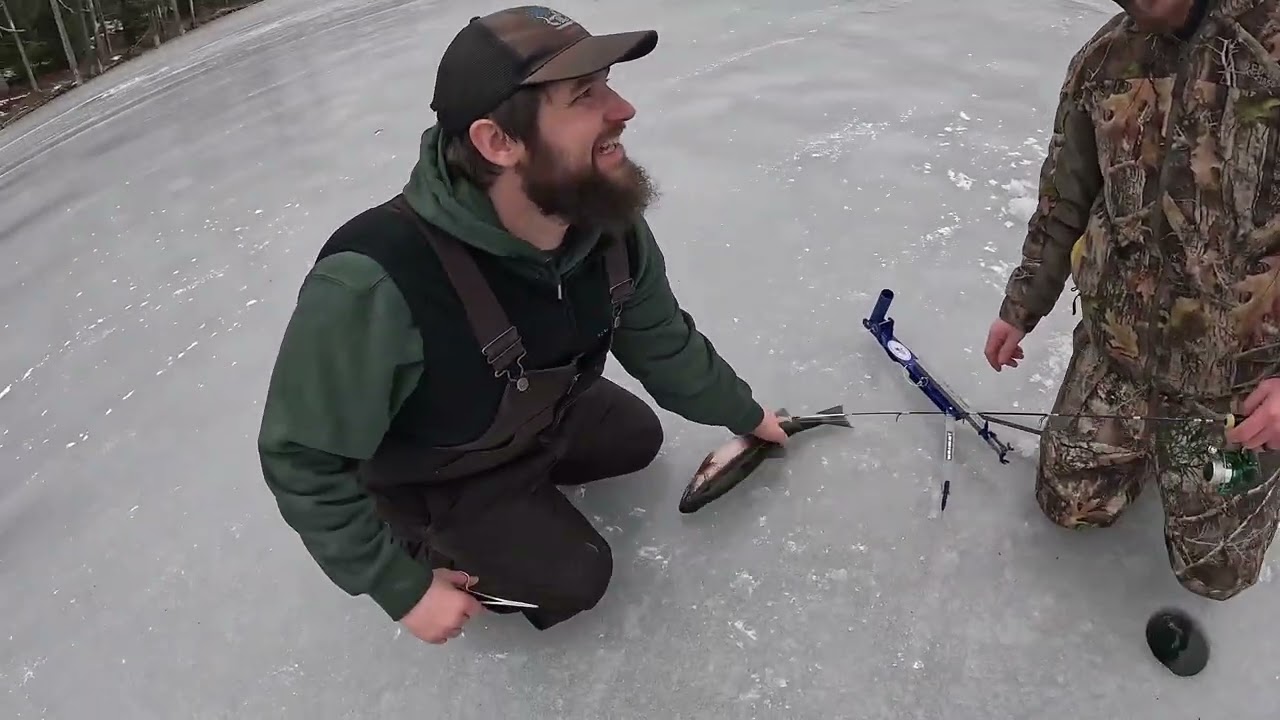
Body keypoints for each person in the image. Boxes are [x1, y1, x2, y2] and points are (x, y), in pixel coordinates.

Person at [255, 6, 787, 645]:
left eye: (608, 84)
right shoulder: (375, 280)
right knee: (576, 579)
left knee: (637, 438)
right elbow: (302, 461)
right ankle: (417, 528)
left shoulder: (603, 222)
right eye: (585, 95)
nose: (623, 109)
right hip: (438, 471)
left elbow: (663, 339)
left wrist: (746, 414)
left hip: (540, 418)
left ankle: (526, 479)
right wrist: (400, 586)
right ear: (498, 142)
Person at [984, 0, 1280, 601]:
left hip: (1235, 380)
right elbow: (1064, 199)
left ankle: (1242, 473)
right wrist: (1021, 306)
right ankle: (1145, 446)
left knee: (1215, 573)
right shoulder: (1103, 62)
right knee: (1069, 503)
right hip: (1121, 353)